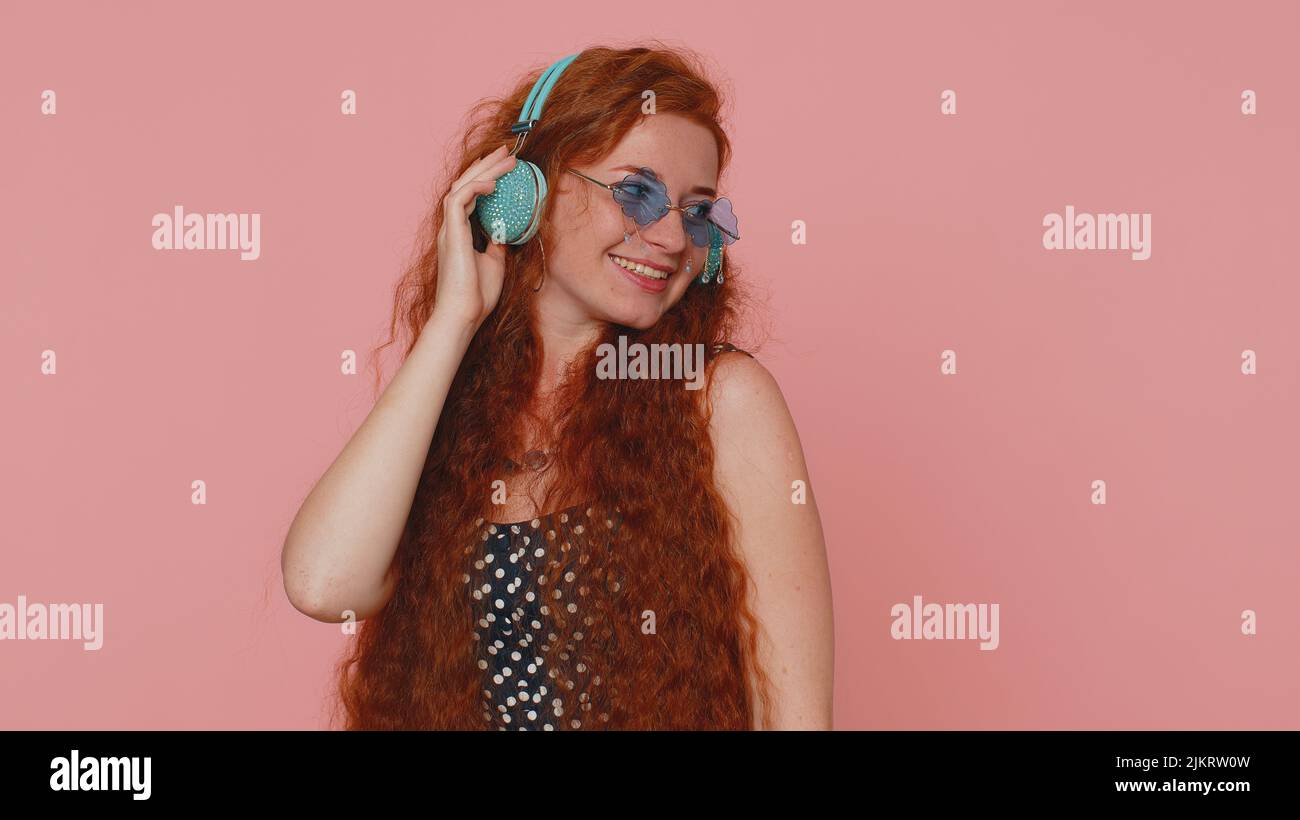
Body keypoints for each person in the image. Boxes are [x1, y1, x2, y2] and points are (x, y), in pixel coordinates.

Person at [281, 44, 834, 730]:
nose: (670, 237)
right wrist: (455, 321)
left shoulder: (722, 398)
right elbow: (323, 586)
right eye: (637, 191)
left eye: (696, 212)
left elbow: (797, 719)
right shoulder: (456, 408)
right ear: (525, 192)